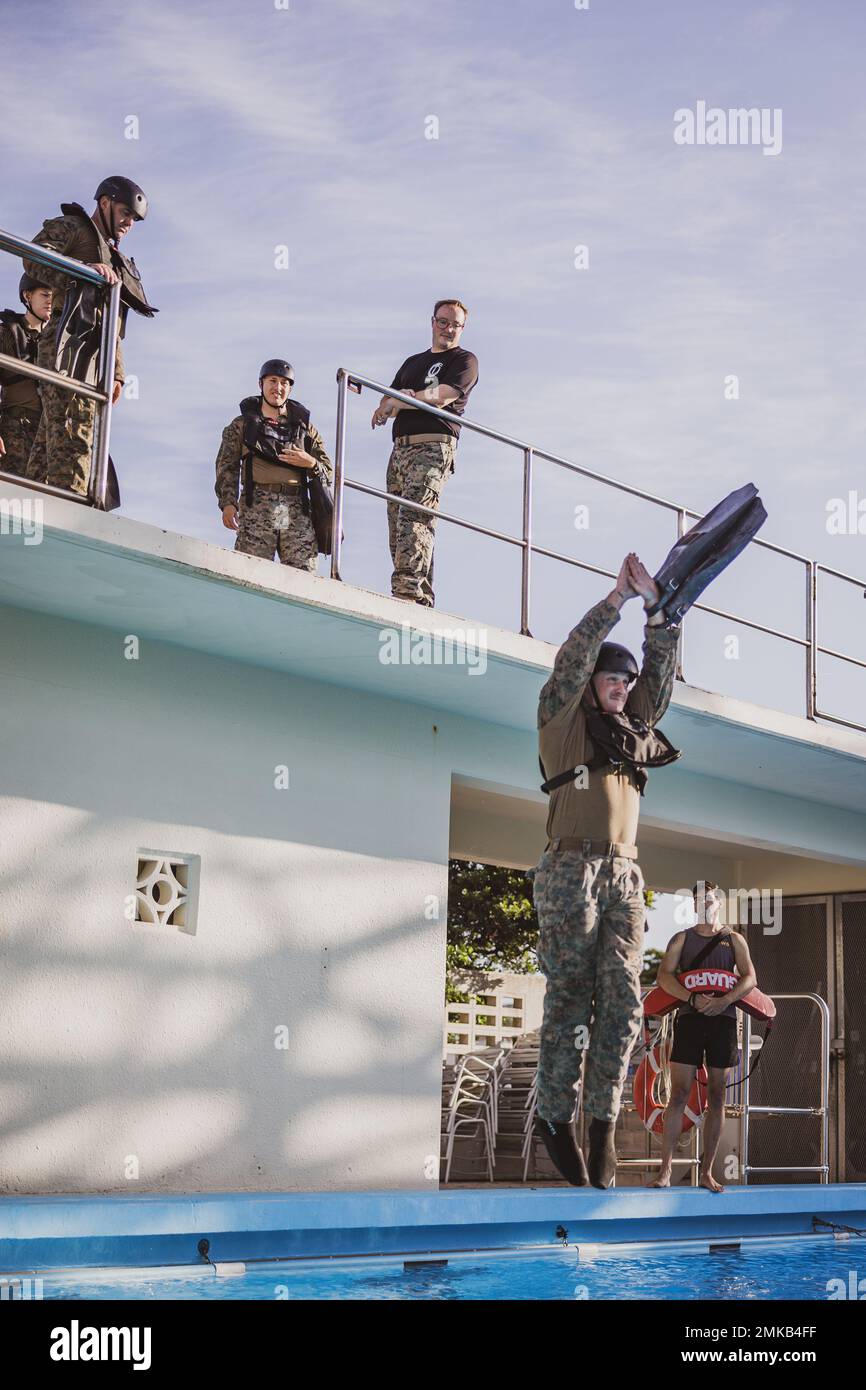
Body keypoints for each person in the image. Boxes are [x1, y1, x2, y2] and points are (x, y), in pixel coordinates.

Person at [533, 553, 682, 1188]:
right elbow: (572, 656)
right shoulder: (562, 719)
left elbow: (660, 680)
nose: (622, 685)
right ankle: (552, 1117)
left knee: (623, 1003)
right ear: (592, 681)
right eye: (611, 677)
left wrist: (659, 615)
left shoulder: (631, 730)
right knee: (570, 1003)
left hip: (625, 876)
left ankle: (601, 1126)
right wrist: (615, 600)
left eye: (626, 680)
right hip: (572, 871)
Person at [23, 175, 156, 497]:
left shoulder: (113, 256)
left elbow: (112, 321)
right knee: (74, 434)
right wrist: (81, 270)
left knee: (52, 439)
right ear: (105, 203)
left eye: (134, 219)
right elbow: (34, 256)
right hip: (67, 345)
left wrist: (118, 373)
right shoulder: (74, 226)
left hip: (96, 354)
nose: (128, 223)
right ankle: (69, 520)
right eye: (125, 213)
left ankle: (32, 508)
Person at [647, 880, 757, 1192]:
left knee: (718, 1095)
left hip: (723, 1021)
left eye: (708, 900)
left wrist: (724, 1000)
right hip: (690, 1021)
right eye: (698, 901)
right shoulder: (681, 939)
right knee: (678, 1094)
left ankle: (707, 1172)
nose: (703, 905)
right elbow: (663, 976)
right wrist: (692, 999)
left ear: (718, 902)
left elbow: (750, 977)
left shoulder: (734, 939)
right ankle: (665, 1171)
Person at [371, 299, 478, 606]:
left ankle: (406, 592)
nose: (448, 329)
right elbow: (384, 405)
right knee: (398, 523)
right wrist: (393, 402)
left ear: (462, 328)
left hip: (433, 445)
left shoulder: (465, 360)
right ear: (432, 322)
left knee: (414, 519)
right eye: (443, 322)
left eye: (455, 325)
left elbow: (442, 397)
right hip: (401, 449)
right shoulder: (412, 363)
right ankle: (420, 595)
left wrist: (406, 398)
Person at [215, 359, 333, 571]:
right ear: (261, 384)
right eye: (272, 381)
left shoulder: (304, 429)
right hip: (257, 504)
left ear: (290, 388)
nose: (277, 388)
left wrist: (310, 462)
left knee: (302, 573)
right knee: (250, 572)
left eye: (284, 383)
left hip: (295, 507)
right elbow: (226, 466)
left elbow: (328, 471)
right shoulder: (242, 425)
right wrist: (228, 503)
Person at [0, 274, 52, 477]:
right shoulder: (6, 334)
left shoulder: (59, 340)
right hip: (15, 428)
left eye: (54, 296)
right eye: (45, 294)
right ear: (27, 296)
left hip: (49, 430)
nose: (50, 300)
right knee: (14, 496)